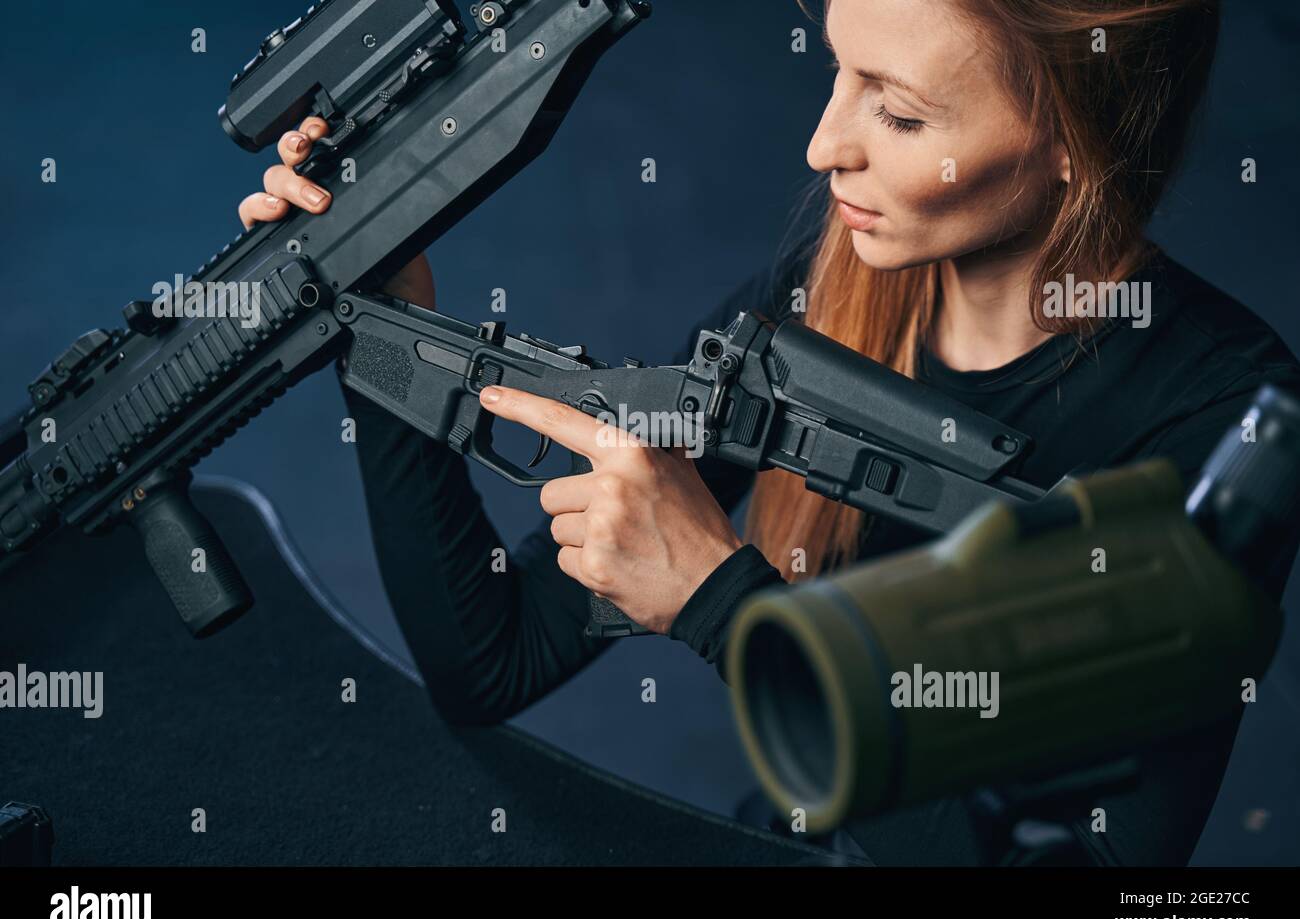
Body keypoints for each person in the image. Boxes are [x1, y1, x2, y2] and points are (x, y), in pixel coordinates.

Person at [236, 0, 1300, 864]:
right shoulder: (822, 294)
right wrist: (379, 321)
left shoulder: (1224, 415)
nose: (824, 143)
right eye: (838, 71)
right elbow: (489, 658)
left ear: (1074, 139)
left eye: (899, 113)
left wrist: (722, 605)